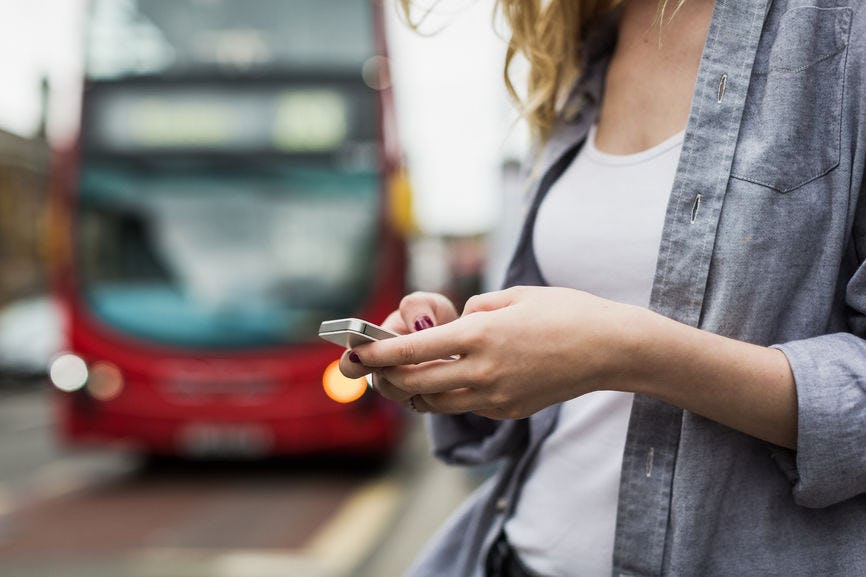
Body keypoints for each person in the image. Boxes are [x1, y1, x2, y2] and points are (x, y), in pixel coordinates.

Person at [341, 0, 866, 575]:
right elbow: (561, 393)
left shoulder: (842, 26)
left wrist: (625, 352)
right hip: (515, 554)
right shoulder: (588, 39)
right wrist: (463, 350)